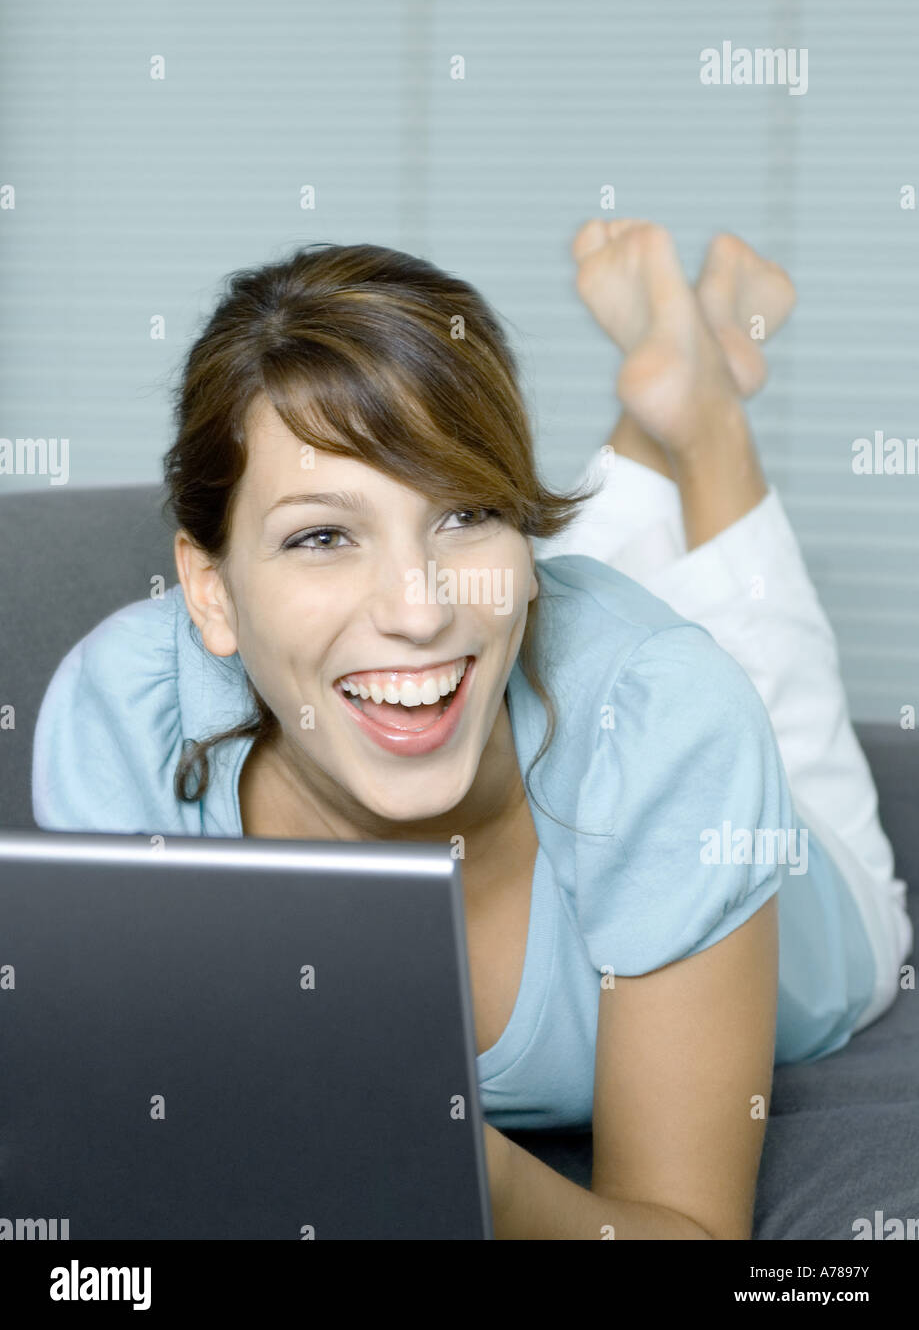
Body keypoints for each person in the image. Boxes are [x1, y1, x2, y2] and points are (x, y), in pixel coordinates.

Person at [31, 224, 912, 1241]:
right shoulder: (124, 719)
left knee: (760, 674)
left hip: (782, 864)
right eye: (322, 534)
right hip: (540, 660)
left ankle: (701, 414)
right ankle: (645, 412)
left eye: (467, 512)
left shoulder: (676, 734)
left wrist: (458, 1169)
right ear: (209, 592)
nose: (415, 604)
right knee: (499, 626)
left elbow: (688, 1235)